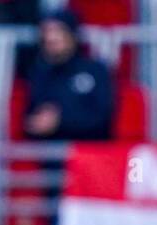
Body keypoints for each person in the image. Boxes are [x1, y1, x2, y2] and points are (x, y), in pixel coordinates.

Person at [24, 9, 114, 141]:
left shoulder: (96, 70)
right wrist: (38, 123)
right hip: (50, 153)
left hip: (90, 153)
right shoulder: (39, 73)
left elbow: (102, 118)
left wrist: (61, 121)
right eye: (46, 32)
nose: (51, 38)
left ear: (72, 35)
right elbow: (30, 120)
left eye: (58, 31)